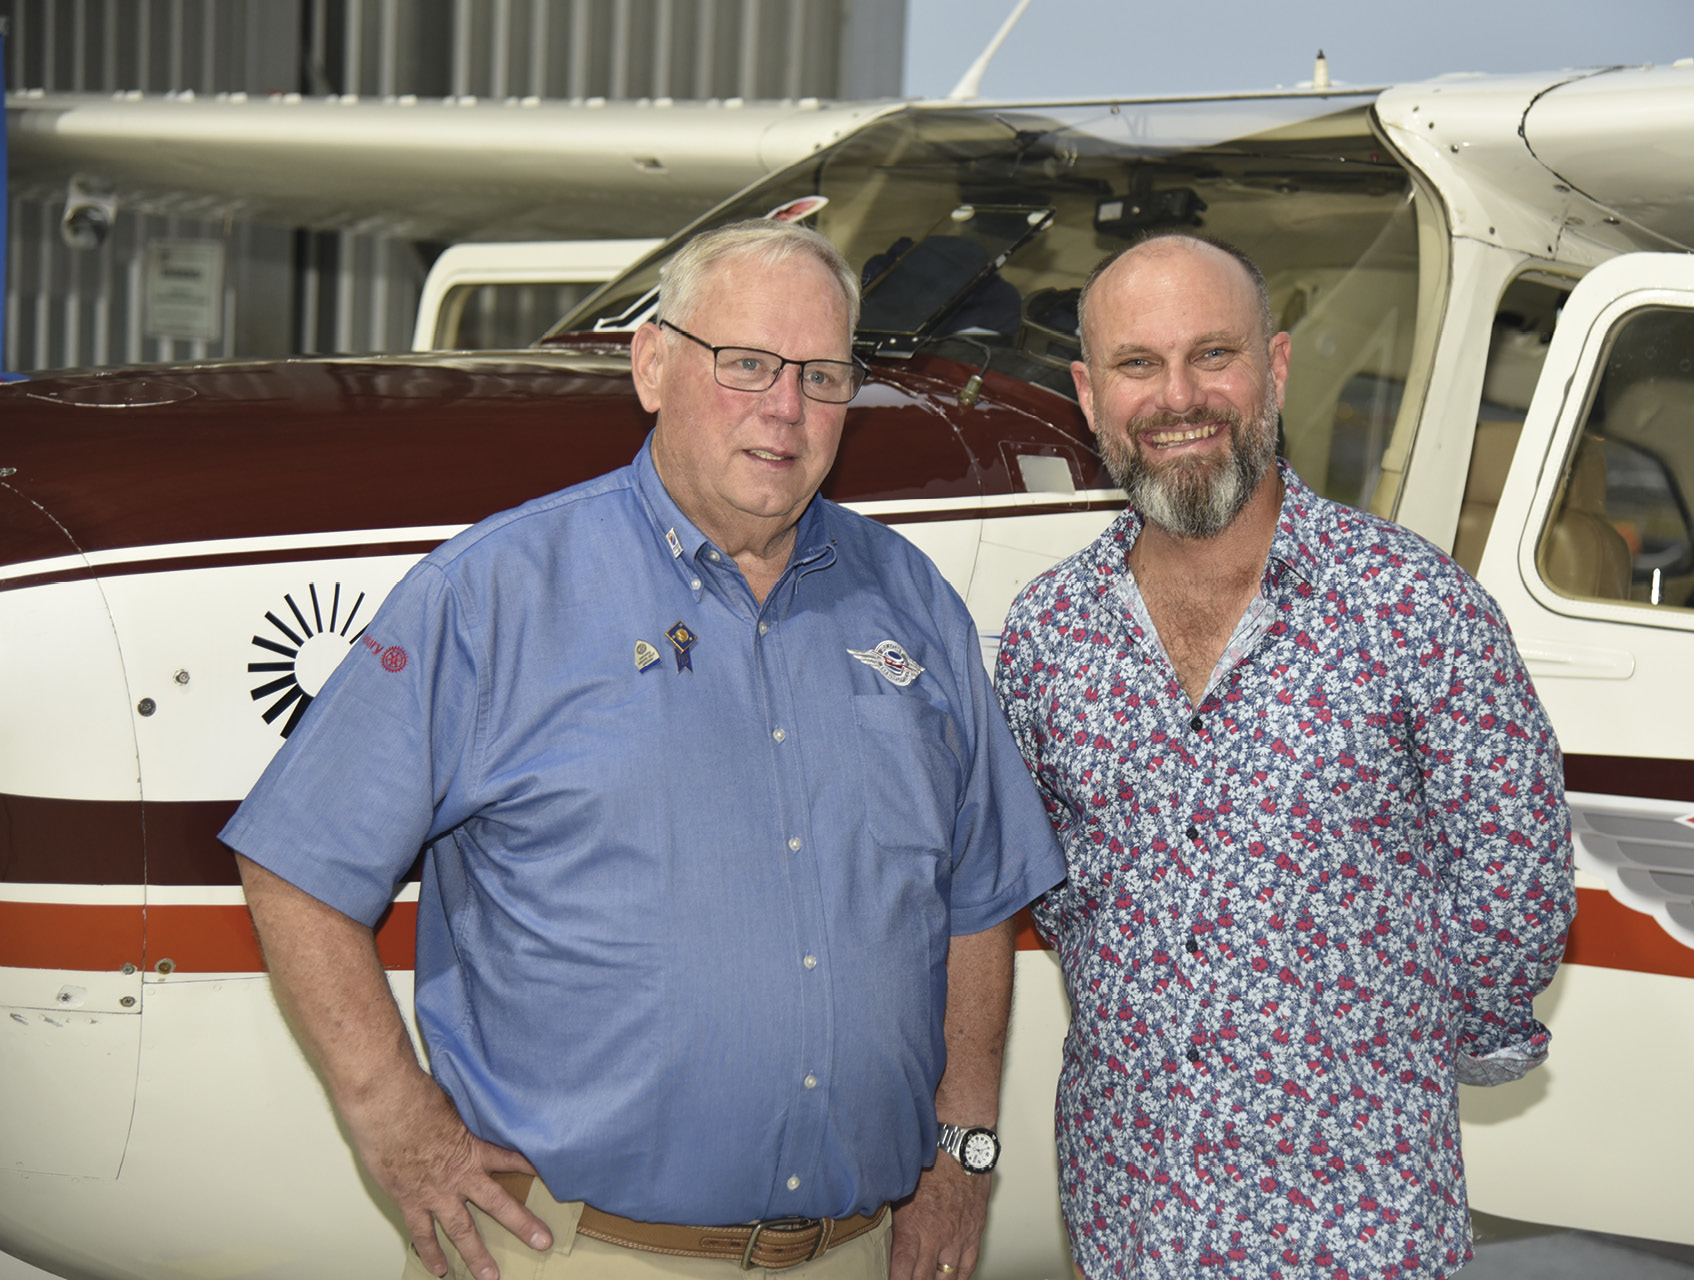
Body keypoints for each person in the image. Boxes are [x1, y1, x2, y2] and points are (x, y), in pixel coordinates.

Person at [223, 221, 1065, 1280]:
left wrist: (960, 1157)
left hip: (857, 1248)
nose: (786, 408)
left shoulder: (911, 603)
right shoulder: (496, 593)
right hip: (576, 1253)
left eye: (823, 374)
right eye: (748, 363)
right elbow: (296, 861)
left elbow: (976, 896)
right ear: (654, 364)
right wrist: (399, 1125)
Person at [993, 233, 1575, 1279]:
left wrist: (1365, 1064)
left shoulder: (1417, 607)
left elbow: (1515, 882)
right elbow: (1033, 887)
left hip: (1365, 1233)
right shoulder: (1046, 637)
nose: (1179, 397)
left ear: (1277, 367)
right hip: (1133, 1228)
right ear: (1087, 393)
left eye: (1212, 354)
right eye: (1138, 364)